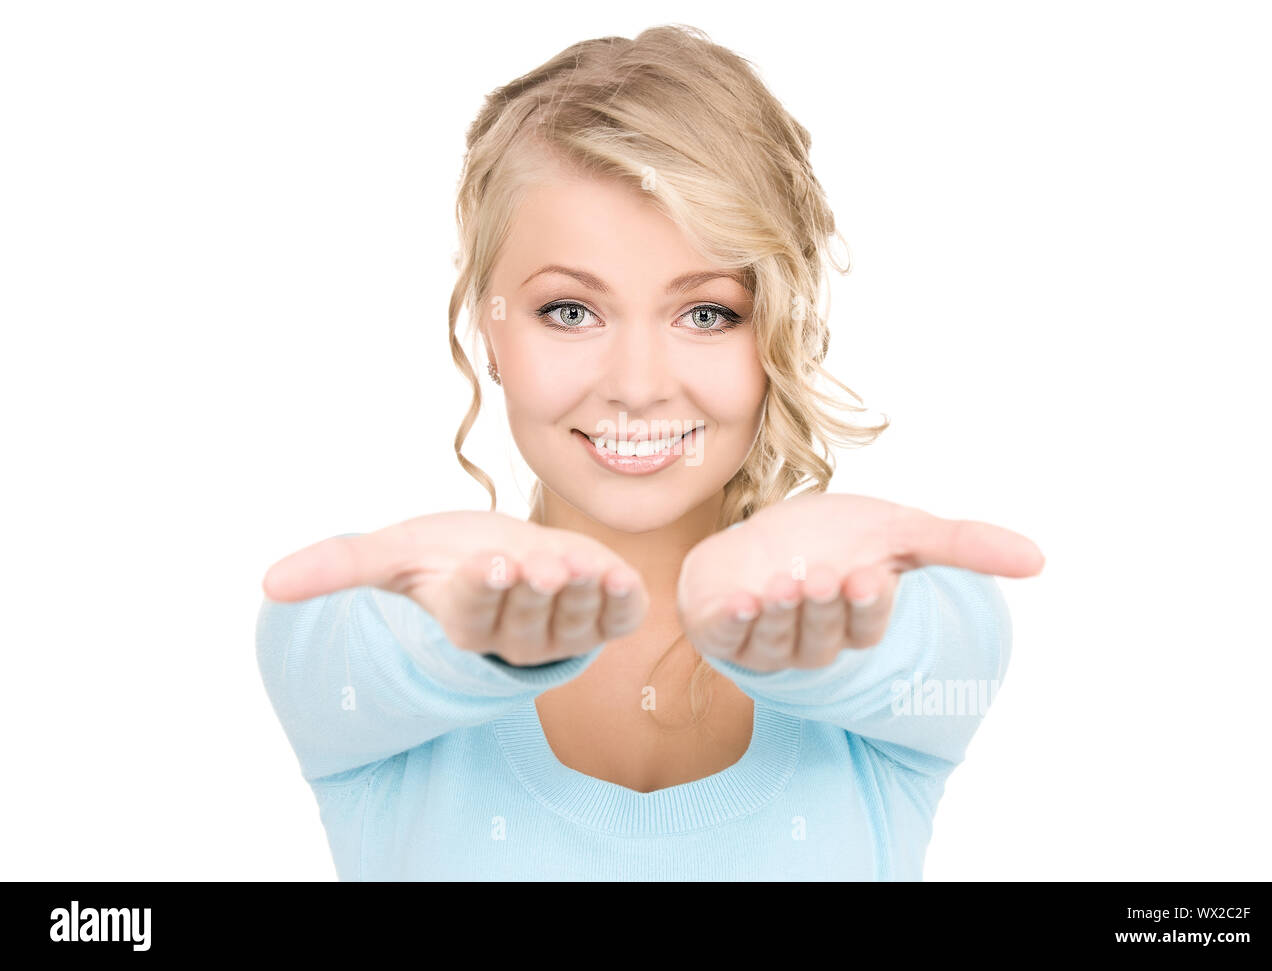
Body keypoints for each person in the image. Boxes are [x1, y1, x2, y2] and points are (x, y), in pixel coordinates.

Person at [255, 23, 1044, 880]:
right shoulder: (351, 651)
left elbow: (937, 639)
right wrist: (466, 637)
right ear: (489, 327)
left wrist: (813, 629)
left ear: (781, 327)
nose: (636, 384)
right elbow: (348, 649)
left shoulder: (903, 660)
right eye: (569, 310)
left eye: (706, 312)